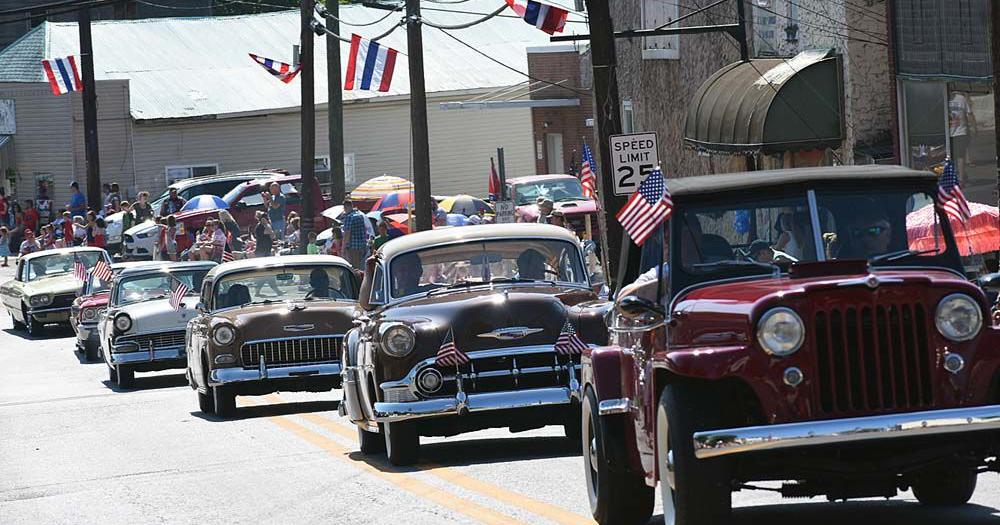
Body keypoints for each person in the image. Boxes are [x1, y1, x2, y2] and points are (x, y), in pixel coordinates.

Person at [949, 90, 977, 183]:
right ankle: (959, 175)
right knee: (951, 156)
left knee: (960, 154)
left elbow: (969, 113)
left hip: (961, 131)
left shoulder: (961, 99)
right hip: (948, 132)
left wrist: (974, 127)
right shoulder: (941, 99)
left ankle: (960, 179)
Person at [341, 199, 368, 269]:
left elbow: (347, 233)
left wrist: (343, 248)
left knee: (354, 267)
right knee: (361, 265)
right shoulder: (360, 215)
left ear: (346, 207)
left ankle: (356, 279)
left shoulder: (349, 217)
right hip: (362, 245)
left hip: (353, 246)